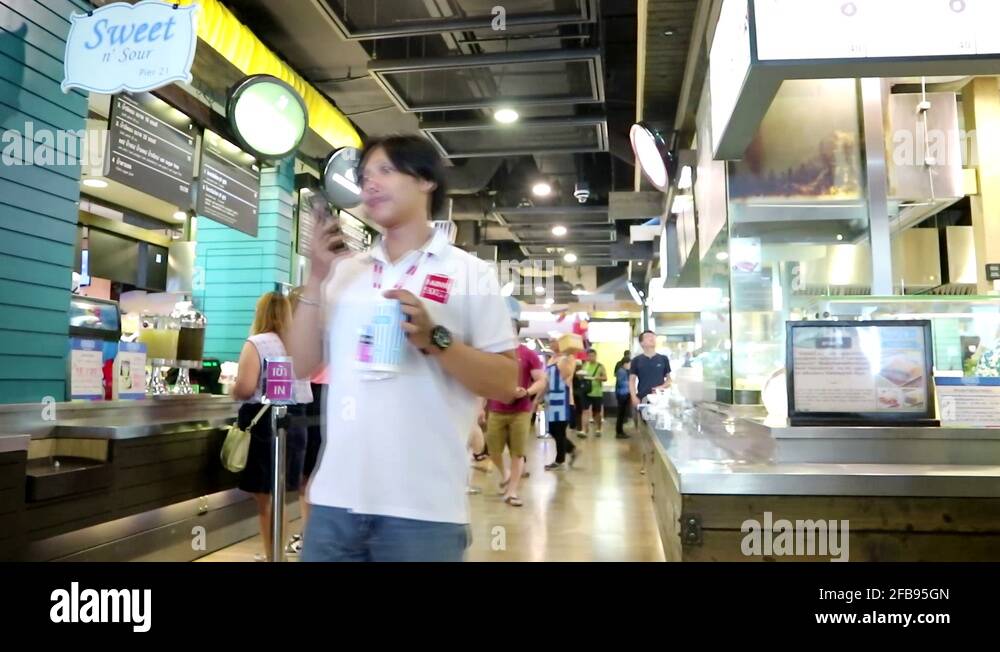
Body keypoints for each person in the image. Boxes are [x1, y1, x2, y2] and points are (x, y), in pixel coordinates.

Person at [289, 135, 519, 562]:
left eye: (385, 170)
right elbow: (299, 364)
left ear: (426, 180)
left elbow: (507, 383)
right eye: (364, 176)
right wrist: (317, 278)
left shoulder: (470, 273)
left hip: (424, 511)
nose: (369, 184)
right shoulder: (346, 273)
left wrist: (437, 340)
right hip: (334, 503)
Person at [231, 292, 309, 562]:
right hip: (297, 421)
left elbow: (245, 387)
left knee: (265, 499)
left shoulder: (257, 343)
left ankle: (274, 556)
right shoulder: (299, 347)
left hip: (264, 423)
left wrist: (232, 389)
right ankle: (277, 553)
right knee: (280, 496)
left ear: (260, 313)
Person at [485, 318, 547, 507]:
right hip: (496, 408)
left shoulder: (528, 354)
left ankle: (512, 492)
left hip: (521, 410)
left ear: (515, 331)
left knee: (517, 453)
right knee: (494, 450)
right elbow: (485, 381)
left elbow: (541, 379)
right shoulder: (494, 353)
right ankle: (505, 474)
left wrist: (528, 392)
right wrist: (480, 407)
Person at [544, 341, 579, 470]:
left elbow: (565, 376)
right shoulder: (552, 359)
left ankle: (560, 460)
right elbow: (546, 379)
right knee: (553, 430)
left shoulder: (568, 358)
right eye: (551, 342)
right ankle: (571, 450)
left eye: (555, 342)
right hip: (551, 400)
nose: (552, 344)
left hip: (563, 400)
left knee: (559, 431)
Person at [630, 330, 672, 409]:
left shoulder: (663, 359)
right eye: (648, 336)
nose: (652, 338)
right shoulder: (636, 360)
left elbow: (669, 380)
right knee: (645, 420)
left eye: (653, 336)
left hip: (660, 399)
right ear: (641, 343)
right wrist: (633, 397)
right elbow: (632, 381)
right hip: (643, 399)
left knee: (659, 420)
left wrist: (661, 387)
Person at [581, 348, 607, 437]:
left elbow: (605, 378)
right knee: (585, 410)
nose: (591, 357)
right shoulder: (585, 365)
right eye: (589, 356)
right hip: (586, 392)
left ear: (596, 356)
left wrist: (596, 378)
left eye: (592, 356)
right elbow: (582, 376)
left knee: (597, 412)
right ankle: (584, 430)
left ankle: (598, 428)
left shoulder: (600, 366)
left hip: (596, 392)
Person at [615, 358, 632, 439]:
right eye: (629, 364)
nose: (630, 366)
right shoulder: (622, 371)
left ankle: (620, 431)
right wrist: (630, 382)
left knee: (621, 414)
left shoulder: (622, 371)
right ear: (625, 363)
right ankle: (619, 432)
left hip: (623, 394)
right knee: (621, 414)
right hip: (623, 394)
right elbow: (621, 383)